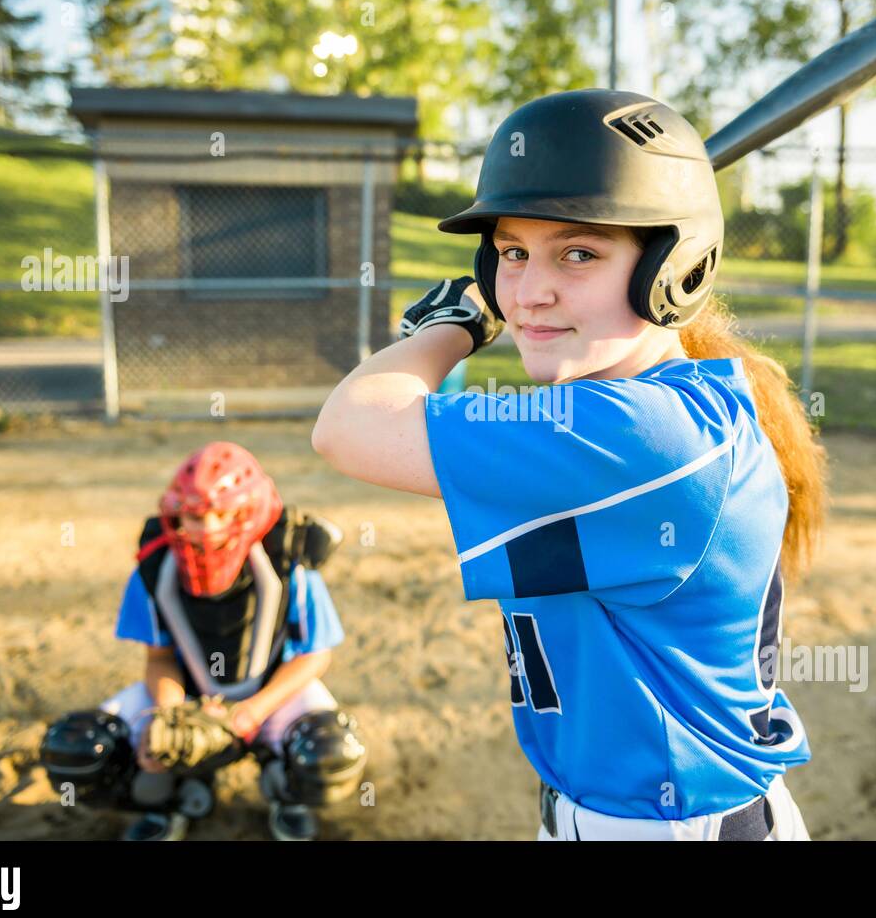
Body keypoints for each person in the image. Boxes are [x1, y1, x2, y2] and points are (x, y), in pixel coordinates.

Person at [312, 88, 828, 840]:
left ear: (672, 271)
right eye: (513, 253)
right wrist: (497, 302)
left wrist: (459, 323)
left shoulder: (640, 439)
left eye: (578, 252)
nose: (529, 292)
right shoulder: (664, 405)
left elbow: (349, 427)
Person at [40, 441, 367, 841]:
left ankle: (285, 793)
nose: (207, 527)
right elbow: (159, 658)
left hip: (271, 696)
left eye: (223, 513)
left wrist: (248, 714)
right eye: (194, 515)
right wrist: (171, 720)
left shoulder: (289, 560)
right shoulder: (156, 566)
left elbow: (315, 657)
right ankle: (170, 803)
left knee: (330, 752)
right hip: (190, 695)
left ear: (250, 512)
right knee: (79, 750)